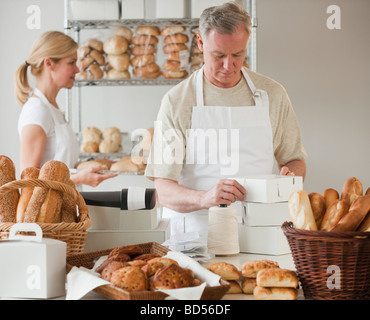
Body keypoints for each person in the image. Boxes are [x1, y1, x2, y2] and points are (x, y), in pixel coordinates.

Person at [145, 2, 307, 244]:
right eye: (218, 55)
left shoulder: (272, 94)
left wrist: (290, 177)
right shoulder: (178, 101)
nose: (228, 66)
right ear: (200, 43)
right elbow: (163, 189)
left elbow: (294, 160)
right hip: (196, 238)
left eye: (238, 55)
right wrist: (204, 198)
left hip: (261, 236)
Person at [15, 31, 115, 187]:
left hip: (66, 206)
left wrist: (92, 165)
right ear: (49, 63)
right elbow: (29, 185)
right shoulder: (36, 112)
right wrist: (79, 179)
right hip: (49, 211)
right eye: (71, 62)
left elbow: (60, 165)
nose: (77, 70)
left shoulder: (51, 108)